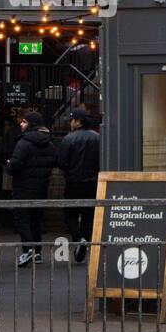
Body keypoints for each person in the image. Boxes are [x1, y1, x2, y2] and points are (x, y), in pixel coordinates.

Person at [7, 110, 58, 267]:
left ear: (30, 124)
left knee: (22, 220)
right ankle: (37, 252)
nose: (21, 124)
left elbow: (14, 165)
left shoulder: (23, 143)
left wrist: (9, 165)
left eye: (24, 122)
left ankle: (27, 250)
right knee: (36, 220)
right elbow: (54, 161)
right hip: (42, 187)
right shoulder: (49, 143)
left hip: (23, 187)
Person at [56, 107, 101, 262]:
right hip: (92, 181)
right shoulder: (97, 138)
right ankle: (85, 240)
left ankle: (78, 238)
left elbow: (62, 162)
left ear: (78, 121)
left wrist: (67, 173)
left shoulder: (68, 139)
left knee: (70, 213)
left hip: (73, 181)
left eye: (72, 119)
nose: (70, 122)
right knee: (89, 213)